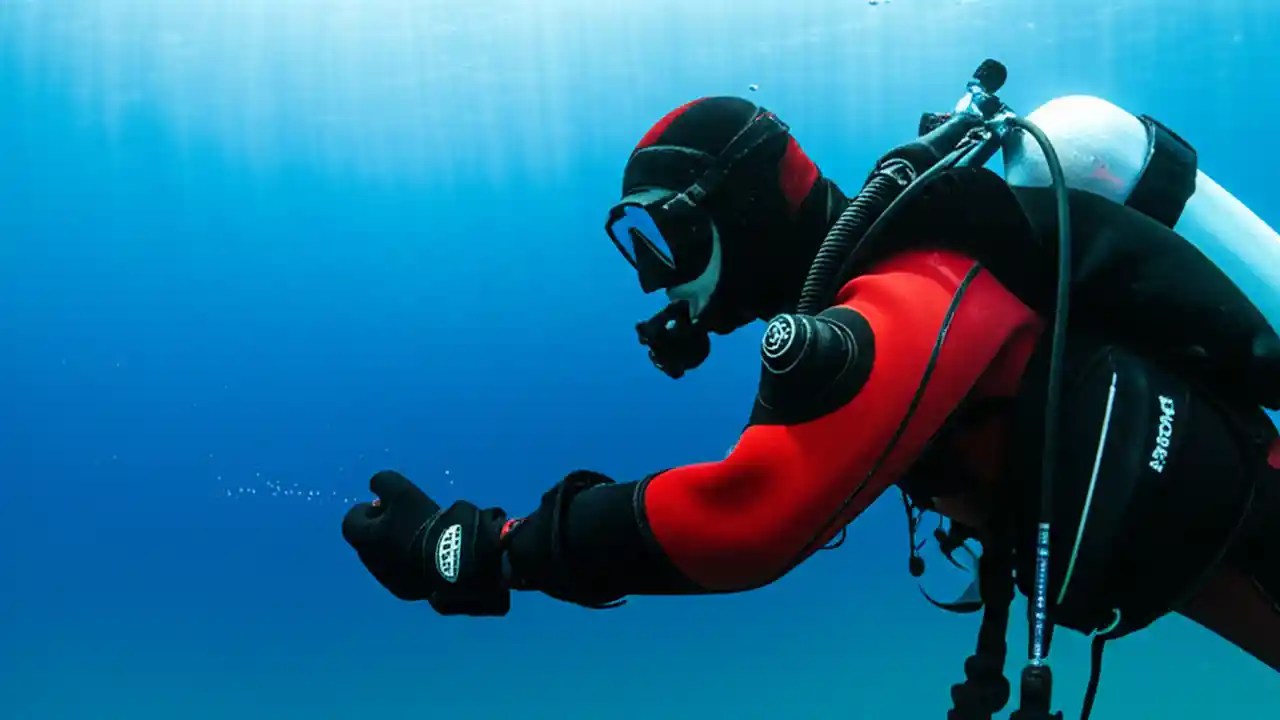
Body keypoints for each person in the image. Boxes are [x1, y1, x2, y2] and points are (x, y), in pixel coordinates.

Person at [340, 95, 1280, 718]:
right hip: (1201, 544)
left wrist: (478, 551)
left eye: (667, 239)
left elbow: (748, 516)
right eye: (638, 251)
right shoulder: (876, 294)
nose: (658, 285)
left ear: (742, 208)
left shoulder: (912, 284)